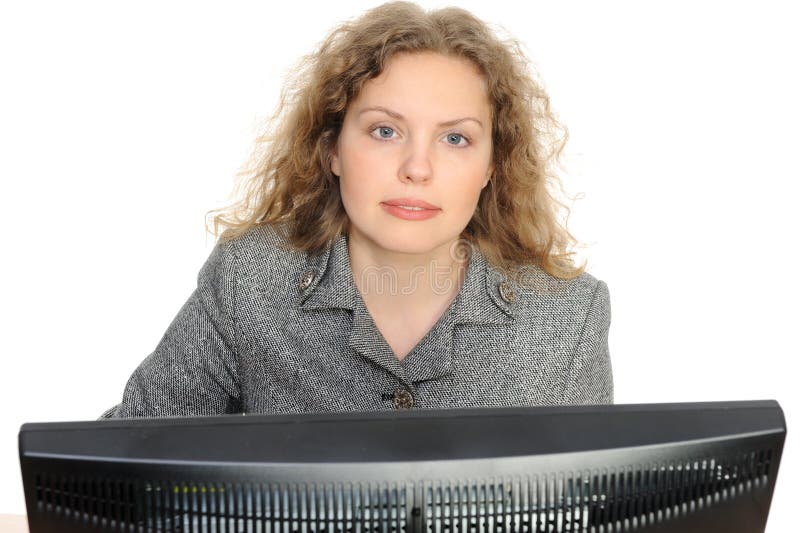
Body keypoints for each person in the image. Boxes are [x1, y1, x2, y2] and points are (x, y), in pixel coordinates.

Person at [102, 1, 612, 419]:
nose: (417, 168)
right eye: (385, 131)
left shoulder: (569, 316)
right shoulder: (248, 280)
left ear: (491, 168)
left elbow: (596, 506)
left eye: (455, 138)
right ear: (333, 150)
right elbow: (123, 465)